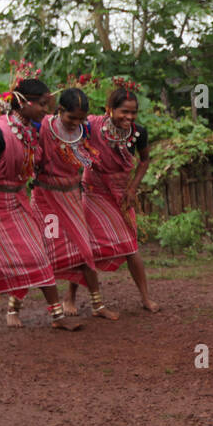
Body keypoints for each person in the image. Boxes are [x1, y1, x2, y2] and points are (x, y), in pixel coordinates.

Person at [0, 73, 83, 342]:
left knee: (40, 253)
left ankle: (57, 317)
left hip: (18, 201)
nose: (46, 111)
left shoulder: (31, 129)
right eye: (42, 105)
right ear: (23, 103)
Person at [28, 86, 118, 321]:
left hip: (71, 199)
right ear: (59, 110)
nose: (75, 122)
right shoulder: (42, 126)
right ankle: (14, 307)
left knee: (85, 251)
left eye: (80, 118)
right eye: (71, 117)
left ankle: (98, 305)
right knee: (44, 252)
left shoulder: (85, 129)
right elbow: (15, 138)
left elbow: (110, 122)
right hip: (46, 199)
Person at [71, 81, 160, 315]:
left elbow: (144, 160)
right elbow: (73, 146)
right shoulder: (90, 126)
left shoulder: (139, 133)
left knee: (131, 246)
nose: (129, 117)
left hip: (121, 195)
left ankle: (145, 298)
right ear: (110, 109)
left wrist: (132, 189)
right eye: (124, 111)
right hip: (94, 192)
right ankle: (69, 299)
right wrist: (88, 160)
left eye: (133, 112)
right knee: (86, 247)